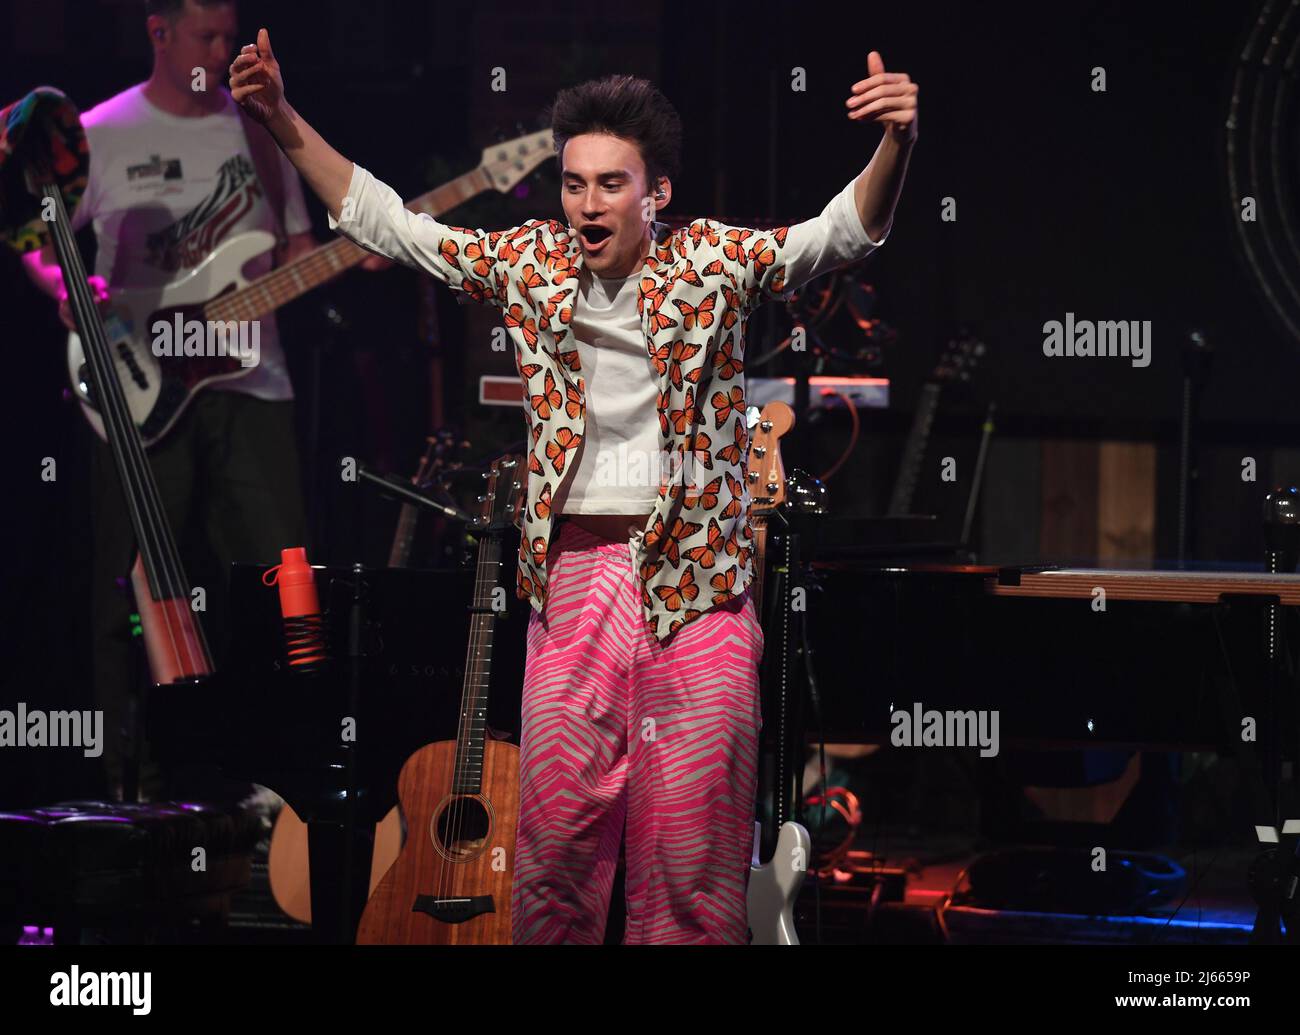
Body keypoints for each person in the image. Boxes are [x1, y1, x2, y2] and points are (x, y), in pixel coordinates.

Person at [231, 26, 916, 943]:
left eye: (612, 183)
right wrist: (278, 117)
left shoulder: (710, 263)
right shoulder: (533, 265)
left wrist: (896, 143)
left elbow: (841, 235)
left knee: (691, 872)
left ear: (655, 193)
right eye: (573, 183)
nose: (588, 204)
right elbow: (386, 222)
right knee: (553, 859)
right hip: (574, 583)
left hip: (697, 585)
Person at [21, 0, 385, 800]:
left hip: (253, 383)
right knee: (137, 581)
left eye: (230, 36)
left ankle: (280, 778)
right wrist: (62, 287)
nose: (223, 52)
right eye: (207, 37)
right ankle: (131, 781)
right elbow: (36, 235)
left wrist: (357, 251)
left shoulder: (257, 128)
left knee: (282, 574)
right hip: (136, 384)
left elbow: (290, 248)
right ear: (160, 32)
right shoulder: (100, 132)